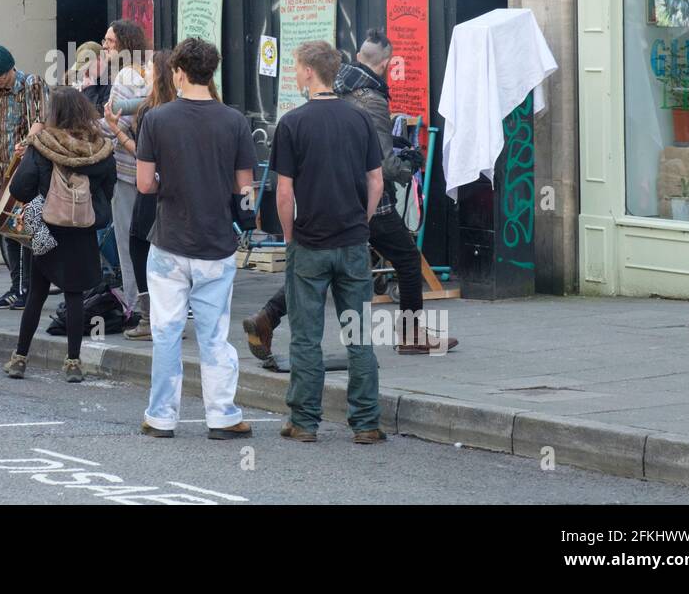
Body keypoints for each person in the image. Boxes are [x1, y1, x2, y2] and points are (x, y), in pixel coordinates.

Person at [242, 30, 458, 358]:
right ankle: (410, 334)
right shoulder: (371, 99)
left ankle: (267, 317)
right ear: (385, 64)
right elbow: (382, 164)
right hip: (368, 204)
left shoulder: (337, 88)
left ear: (358, 58)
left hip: (332, 198)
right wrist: (408, 164)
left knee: (318, 267)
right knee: (408, 260)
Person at [136, 38, 255, 440]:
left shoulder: (156, 120)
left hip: (170, 239)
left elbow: (144, 185)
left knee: (166, 331)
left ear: (179, 72)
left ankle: (161, 417)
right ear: (212, 72)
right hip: (215, 240)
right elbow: (245, 189)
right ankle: (222, 416)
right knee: (214, 334)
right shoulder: (234, 121)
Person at [271, 40, 386, 445]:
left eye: (297, 67)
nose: (296, 73)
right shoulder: (358, 120)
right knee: (358, 335)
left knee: (306, 336)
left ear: (307, 71)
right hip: (353, 241)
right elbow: (376, 181)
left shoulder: (292, 123)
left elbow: (284, 193)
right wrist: (363, 220)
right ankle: (366, 422)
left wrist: (289, 235)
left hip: (309, 242)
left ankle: (304, 421)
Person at [3, 87, 116, 383]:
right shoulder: (100, 147)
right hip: (82, 228)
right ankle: (73, 362)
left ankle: (20, 358)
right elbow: (109, 189)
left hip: (45, 226)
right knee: (75, 294)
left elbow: (20, 188)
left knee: (36, 295)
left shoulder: (42, 145)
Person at [105, 48, 174, 340]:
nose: (145, 71)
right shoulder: (173, 104)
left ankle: (148, 317)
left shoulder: (151, 112)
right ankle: (171, 314)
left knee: (139, 245)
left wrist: (117, 132)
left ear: (158, 74)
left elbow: (141, 154)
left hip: (151, 188)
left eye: (149, 67)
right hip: (176, 191)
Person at [0, 45, 47, 309]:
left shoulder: (31, 84)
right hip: (4, 171)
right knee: (6, 228)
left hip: (28, 170)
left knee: (26, 228)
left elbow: (40, 120)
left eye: (0, 77)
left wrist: (27, 142)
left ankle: (29, 288)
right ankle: (16, 286)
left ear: (11, 68)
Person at [99, 20, 148, 315]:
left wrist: (81, 126)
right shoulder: (151, 69)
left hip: (128, 169)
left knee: (128, 241)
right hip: (153, 171)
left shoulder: (125, 76)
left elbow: (114, 124)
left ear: (125, 44)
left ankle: (136, 307)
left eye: (110, 41)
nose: (105, 46)